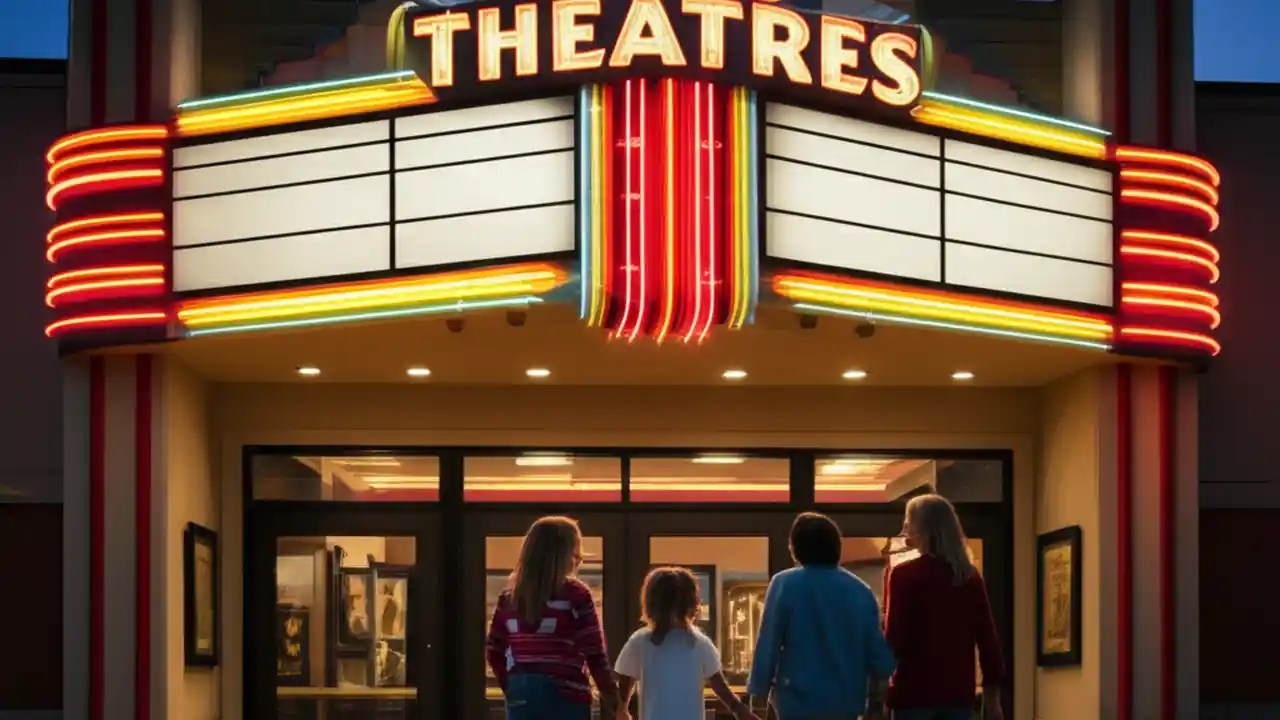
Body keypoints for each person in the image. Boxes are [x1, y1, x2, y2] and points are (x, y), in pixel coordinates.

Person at [748, 512, 897, 720]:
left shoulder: (785, 584)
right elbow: (879, 657)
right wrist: (876, 702)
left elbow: (768, 643)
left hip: (796, 702)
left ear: (796, 548)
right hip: (845, 703)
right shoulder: (860, 590)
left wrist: (758, 695)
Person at [486, 516, 620, 720]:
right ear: (563, 555)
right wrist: (616, 704)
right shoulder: (576, 595)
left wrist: (512, 685)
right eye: (576, 554)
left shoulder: (509, 599)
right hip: (565, 694)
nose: (579, 560)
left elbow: (494, 651)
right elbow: (595, 655)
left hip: (521, 694)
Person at [885, 495, 1005, 720]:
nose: (904, 528)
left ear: (922, 528)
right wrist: (993, 699)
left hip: (913, 694)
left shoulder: (904, 575)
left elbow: (895, 640)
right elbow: (988, 640)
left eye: (909, 521)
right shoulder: (968, 576)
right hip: (957, 695)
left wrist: (882, 691)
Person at [615, 567, 760, 720]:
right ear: (691, 604)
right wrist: (741, 711)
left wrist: (622, 708)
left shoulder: (641, 641)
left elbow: (626, 679)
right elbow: (720, 687)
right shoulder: (699, 643)